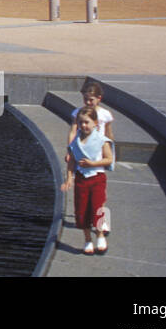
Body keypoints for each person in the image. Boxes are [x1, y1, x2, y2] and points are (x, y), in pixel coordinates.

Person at [64, 80, 115, 233]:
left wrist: (111, 149)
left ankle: (102, 220)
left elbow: (109, 133)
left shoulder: (105, 114)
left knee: (100, 192)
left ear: (99, 98)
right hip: (83, 151)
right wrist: (69, 150)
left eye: (91, 99)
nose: (88, 102)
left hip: (99, 154)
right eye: (85, 99)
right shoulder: (78, 113)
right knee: (85, 187)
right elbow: (73, 131)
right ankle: (84, 214)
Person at [62, 106, 114, 255]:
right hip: (81, 179)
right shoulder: (76, 141)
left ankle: (100, 235)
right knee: (82, 210)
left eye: (87, 122)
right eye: (81, 122)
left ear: (95, 123)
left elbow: (108, 159)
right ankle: (87, 239)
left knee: (97, 207)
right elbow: (72, 160)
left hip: (97, 177)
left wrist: (93, 164)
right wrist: (69, 178)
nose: (84, 125)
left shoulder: (101, 140)